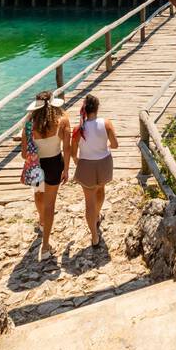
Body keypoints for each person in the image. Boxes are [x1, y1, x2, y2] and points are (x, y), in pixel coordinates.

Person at [22, 90, 70, 262]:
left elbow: (23, 154)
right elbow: (67, 148)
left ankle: (42, 222)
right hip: (54, 164)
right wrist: (66, 169)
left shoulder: (29, 125)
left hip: (36, 165)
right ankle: (45, 245)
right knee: (50, 204)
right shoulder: (62, 121)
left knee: (38, 194)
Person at [70, 94, 118, 248]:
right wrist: (105, 147)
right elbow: (115, 144)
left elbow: (72, 152)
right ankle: (97, 215)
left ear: (84, 109)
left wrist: (78, 161)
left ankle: (94, 236)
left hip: (86, 165)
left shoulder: (79, 128)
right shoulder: (106, 123)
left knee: (88, 202)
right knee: (101, 190)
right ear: (97, 108)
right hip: (104, 163)